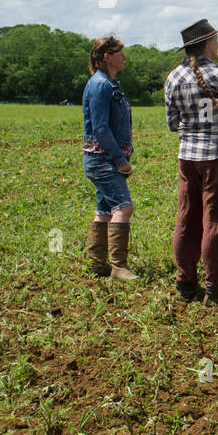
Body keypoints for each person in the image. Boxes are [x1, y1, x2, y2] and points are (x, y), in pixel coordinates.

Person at [165, 19, 218, 306]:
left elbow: (173, 124)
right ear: (208, 43)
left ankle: (186, 283)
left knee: (186, 216)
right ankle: (214, 288)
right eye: (217, 41)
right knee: (216, 218)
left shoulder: (173, 77)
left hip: (187, 156)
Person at [83, 36, 137, 280]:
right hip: (103, 160)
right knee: (124, 208)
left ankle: (98, 265)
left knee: (104, 211)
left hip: (104, 159)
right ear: (106, 56)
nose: (124, 57)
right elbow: (101, 129)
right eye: (119, 53)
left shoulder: (110, 84)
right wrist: (120, 160)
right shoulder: (100, 86)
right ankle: (118, 267)